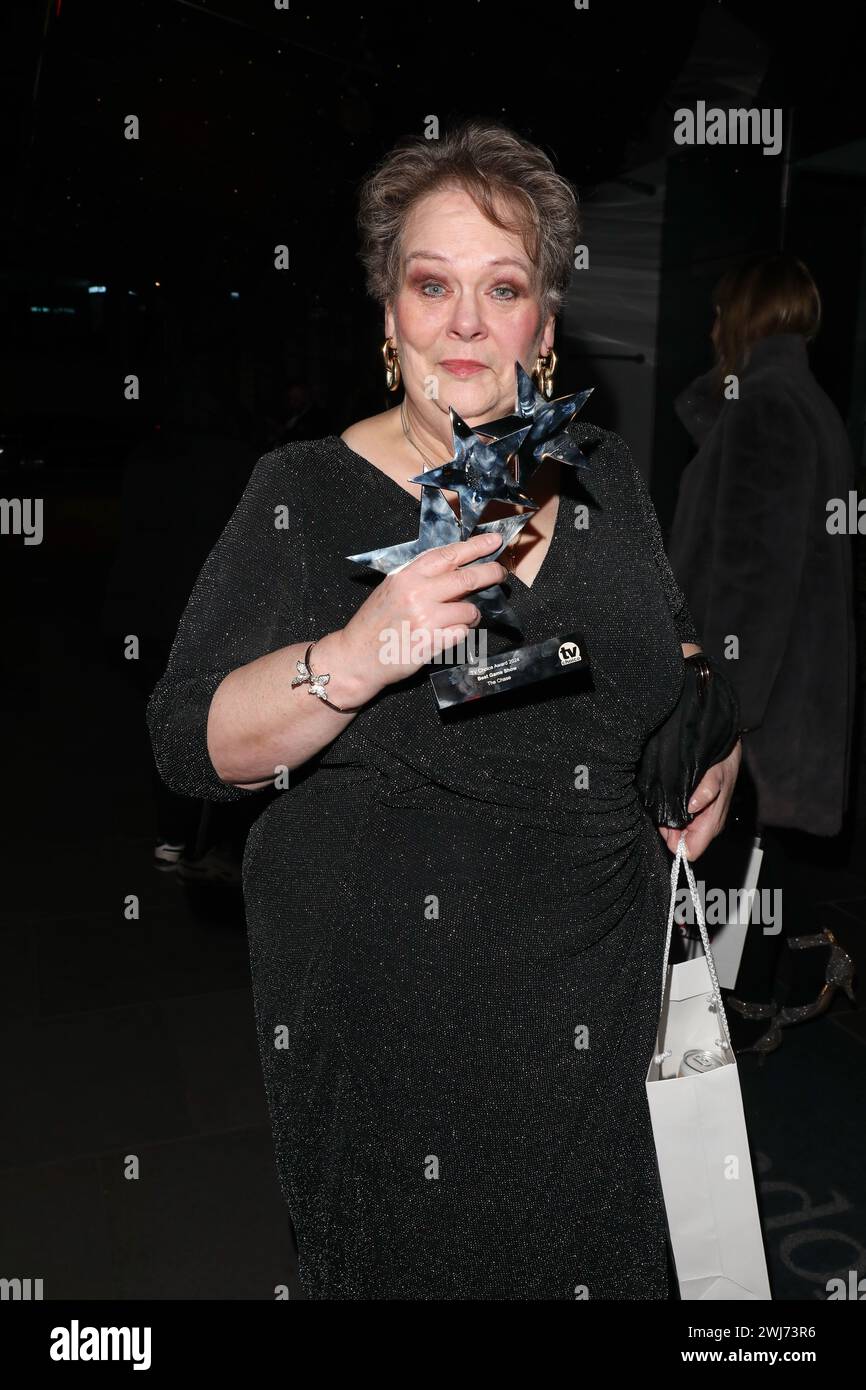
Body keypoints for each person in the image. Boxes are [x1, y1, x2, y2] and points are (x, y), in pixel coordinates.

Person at [146, 118, 740, 1300]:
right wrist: (357, 656)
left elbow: (661, 647)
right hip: (400, 1040)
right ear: (388, 319)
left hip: (599, 1011)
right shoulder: (303, 494)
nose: (465, 321)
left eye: (502, 286)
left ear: (544, 326)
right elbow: (187, 743)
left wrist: (708, 743)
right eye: (431, 284)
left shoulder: (601, 475)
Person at [667, 252, 858, 1058]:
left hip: (755, 716)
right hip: (784, 709)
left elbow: (751, 582)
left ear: (745, 318)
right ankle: (797, 976)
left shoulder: (767, 410)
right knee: (751, 886)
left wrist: (716, 719)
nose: (712, 331)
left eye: (720, 314)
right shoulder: (804, 404)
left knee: (731, 893)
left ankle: (780, 992)